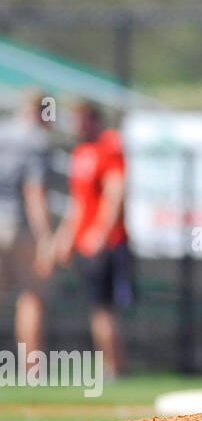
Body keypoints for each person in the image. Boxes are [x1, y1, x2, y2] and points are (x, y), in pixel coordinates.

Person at [51, 101, 130, 377]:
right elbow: (77, 203)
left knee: (103, 308)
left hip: (105, 243)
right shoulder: (80, 152)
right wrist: (64, 238)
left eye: (81, 117)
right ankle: (112, 365)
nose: (76, 123)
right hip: (84, 242)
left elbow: (114, 192)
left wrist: (101, 231)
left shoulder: (108, 146)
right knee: (97, 307)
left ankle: (115, 367)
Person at [2, 90, 56, 375]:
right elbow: (34, 192)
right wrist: (46, 238)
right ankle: (32, 370)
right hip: (17, 225)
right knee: (31, 295)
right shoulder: (36, 140)